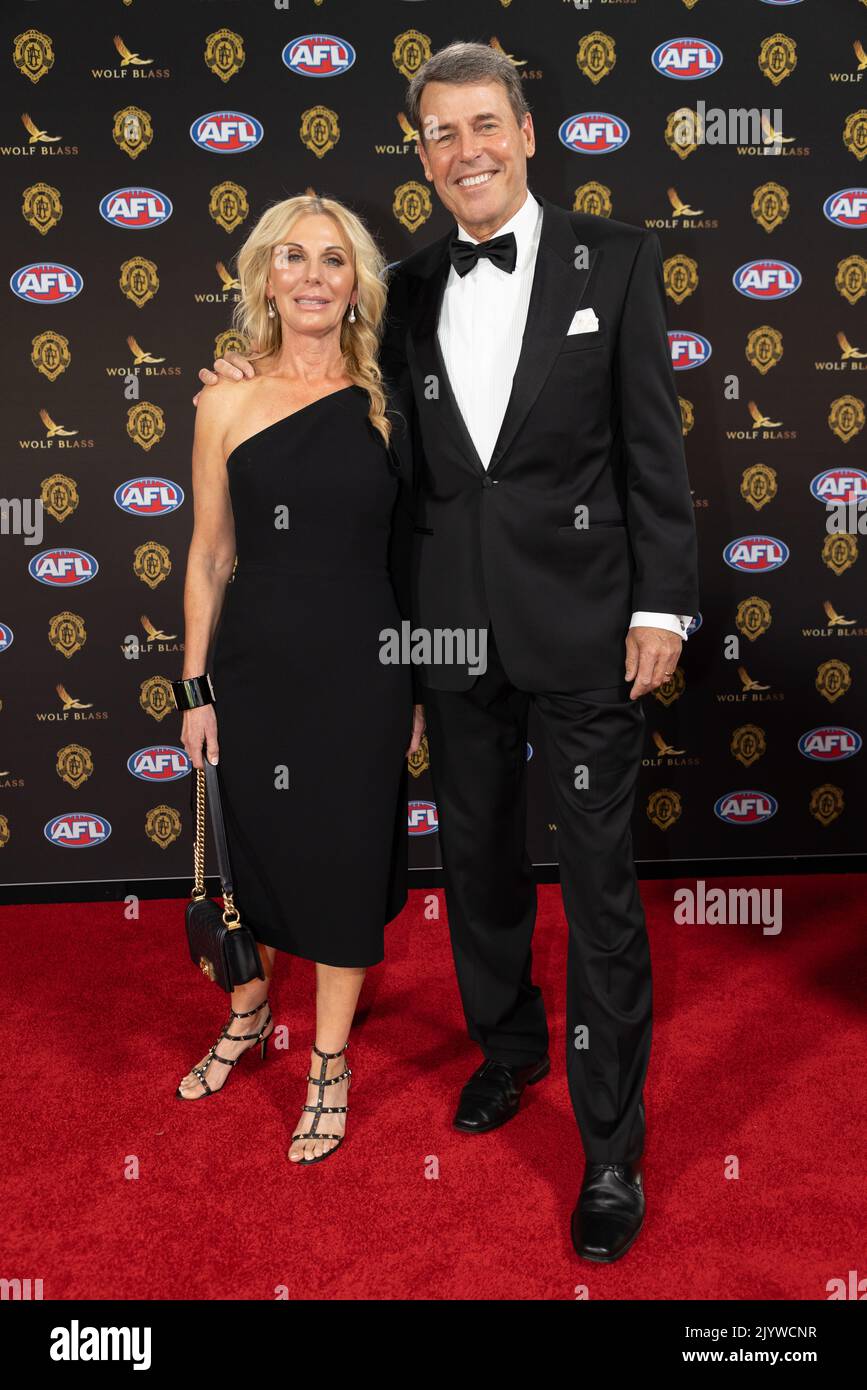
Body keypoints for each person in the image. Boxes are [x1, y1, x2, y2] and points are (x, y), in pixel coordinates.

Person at [198, 42, 700, 1259]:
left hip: (586, 628)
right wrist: (242, 383)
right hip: (446, 638)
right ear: (421, 156)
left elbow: (652, 451)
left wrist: (664, 608)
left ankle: (612, 1152)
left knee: (597, 894)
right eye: (440, 134)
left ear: (528, 132)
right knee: (475, 872)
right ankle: (509, 1051)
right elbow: (354, 453)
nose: (465, 149)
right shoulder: (406, 288)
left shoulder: (617, 259)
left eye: (485, 124)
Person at [177, 192, 424, 1166]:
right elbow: (207, 554)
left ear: (356, 283)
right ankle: (247, 1014)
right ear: (267, 279)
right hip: (255, 668)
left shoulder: (390, 405)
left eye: (334, 259)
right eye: (294, 258)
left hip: (362, 667)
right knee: (256, 849)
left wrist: (409, 685)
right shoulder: (224, 400)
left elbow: (413, 560)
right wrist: (194, 689)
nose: (314, 276)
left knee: (343, 861)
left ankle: (328, 1062)